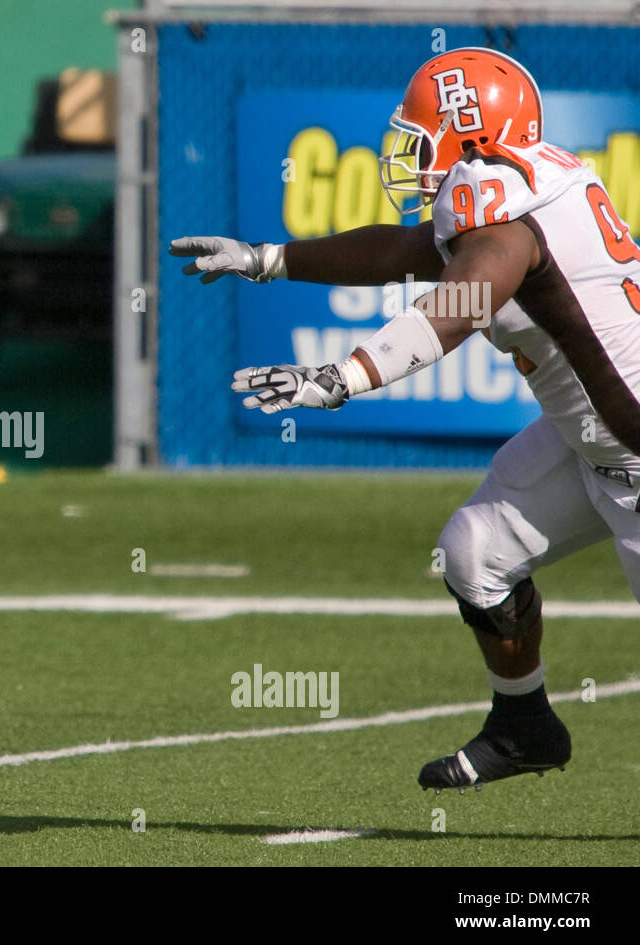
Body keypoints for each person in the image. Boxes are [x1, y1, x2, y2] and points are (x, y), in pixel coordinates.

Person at [171, 47, 640, 792]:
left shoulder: (503, 213)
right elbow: (402, 250)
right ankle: (524, 727)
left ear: (473, 137)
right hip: (590, 441)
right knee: (475, 552)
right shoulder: (516, 183)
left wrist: (341, 376)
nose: (407, 154)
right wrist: (266, 258)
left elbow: (459, 305)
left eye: (420, 138)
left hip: (634, 458)